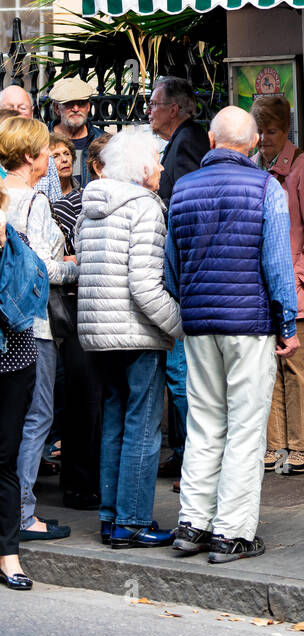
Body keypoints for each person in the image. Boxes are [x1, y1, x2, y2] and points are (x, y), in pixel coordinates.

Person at [164, 106, 299, 564]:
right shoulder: (266, 187)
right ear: (255, 140)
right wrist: (288, 324)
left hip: (199, 322)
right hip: (250, 323)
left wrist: (192, 303)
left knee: (203, 422)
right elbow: (278, 266)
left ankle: (192, 524)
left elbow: (172, 267)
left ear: (212, 139)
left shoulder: (182, 188)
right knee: (245, 428)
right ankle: (232, 532)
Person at [76, 130, 181, 548]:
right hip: (138, 333)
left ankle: (110, 517)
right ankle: (133, 521)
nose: (160, 168)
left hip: (100, 334)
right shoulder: (146, 208)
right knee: (142, 427)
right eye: (156, 161)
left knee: (116, 421)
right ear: (140, 168)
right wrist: (177, 324)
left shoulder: (92, 206)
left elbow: (86, 269)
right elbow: (145, 286)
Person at [0, 116, 77, 541]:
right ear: (30, 157)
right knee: (37, 414)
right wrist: (74, 267)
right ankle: (24, 512)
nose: (50, 155)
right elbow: (43, 270)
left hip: (1, 320)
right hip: (32, 324)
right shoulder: (35, 202)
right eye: (45, 150)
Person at [251, 94, 304, 476]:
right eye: (261, 131)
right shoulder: (255, 167)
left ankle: (302, 445)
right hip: (265, 288)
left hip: (300, 289)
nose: (265, 139)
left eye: (272, 131)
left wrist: (300, 276)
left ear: (286, 131)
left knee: (299, 371)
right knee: (268, 370)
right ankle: (274, 443)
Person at [147, 75, 210, 479]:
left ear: (174, 108)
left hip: (183, 272)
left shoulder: (188, 140)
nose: (149, 110)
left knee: (181, 372)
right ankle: (185, 450)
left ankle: (191, 454)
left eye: (154, 103)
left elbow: (185, 200)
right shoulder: (182, 138)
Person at [50, 133, 112, 511]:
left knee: (98, 399)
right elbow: (63, 258)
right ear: (98, 167)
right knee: (83, 399)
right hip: (77, 309)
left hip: (104, 308)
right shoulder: (67, 207)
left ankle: (93, 480)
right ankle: (78, 482)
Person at [0, 183, 51, 590]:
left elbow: (34, 292)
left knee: (5, 459)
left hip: (14, 361)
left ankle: (8, 555)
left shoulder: (17, 245)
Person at [0, 87, 61, 202]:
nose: (16, 112)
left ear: (31, 112)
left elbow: (56, 204)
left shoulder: (46, 157)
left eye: (22, 108)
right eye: (9, 108)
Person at [49, 77, 105, 187]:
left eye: (81, 103)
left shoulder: (102, 141)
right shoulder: (42, 139)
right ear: (56, 107)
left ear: (88, 106)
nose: (75, 109)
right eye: (69, 104)